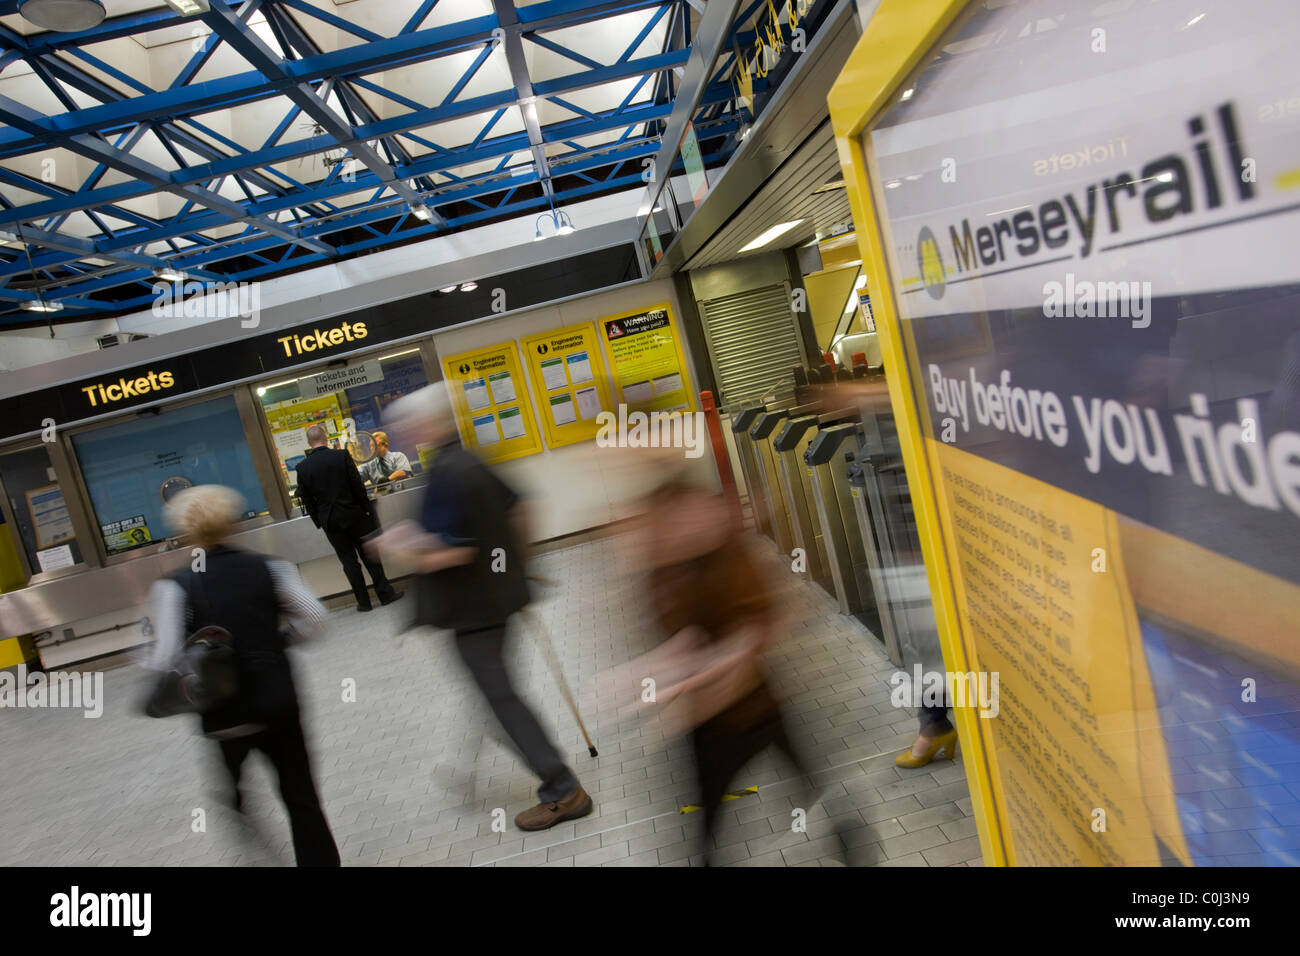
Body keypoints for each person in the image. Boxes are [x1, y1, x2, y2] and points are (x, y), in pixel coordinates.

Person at [369, 385, 592, 832]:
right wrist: (518, 566)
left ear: (430, 424)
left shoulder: (447, 472)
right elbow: (522, 507)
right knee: (493, 690)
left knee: (501, 697)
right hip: (496, 600)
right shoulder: (472, 459)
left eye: (408, 425)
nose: (405, 434)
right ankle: (506, 758)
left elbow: (451, 552)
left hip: (471, 610)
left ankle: (563, 789)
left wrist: (394, 546)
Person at [615, 461, 845, 864]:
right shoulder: (663, 572)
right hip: (710, 726)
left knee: (807, 783)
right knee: (708, 818)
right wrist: (656, 676)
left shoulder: (730, 557)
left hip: (755, 706)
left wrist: (680, 686)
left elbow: (755, 632)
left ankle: (848, 840)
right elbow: (682, 639)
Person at [145, 484, 340, 867]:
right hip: (278, 703)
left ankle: (256, 849)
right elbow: (315, 620)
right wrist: (278, 641)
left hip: (223, 714)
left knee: (233, 792)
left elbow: (164, 658)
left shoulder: (173, 587)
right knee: (301, 798)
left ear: (184, 532)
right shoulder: (270, 568)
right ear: (232, 522)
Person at [295, 423, 398, 612]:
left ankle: (364, 603)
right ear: (326, 438)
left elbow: (307, 500)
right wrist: (366, 509)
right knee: (370, 556)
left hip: (331, 521)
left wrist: (320, 521)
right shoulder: (341, 456)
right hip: (355, 514)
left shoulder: (302, 468)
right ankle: (385, 594)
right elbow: (356, 485)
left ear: (309, 443)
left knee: (349, 562)